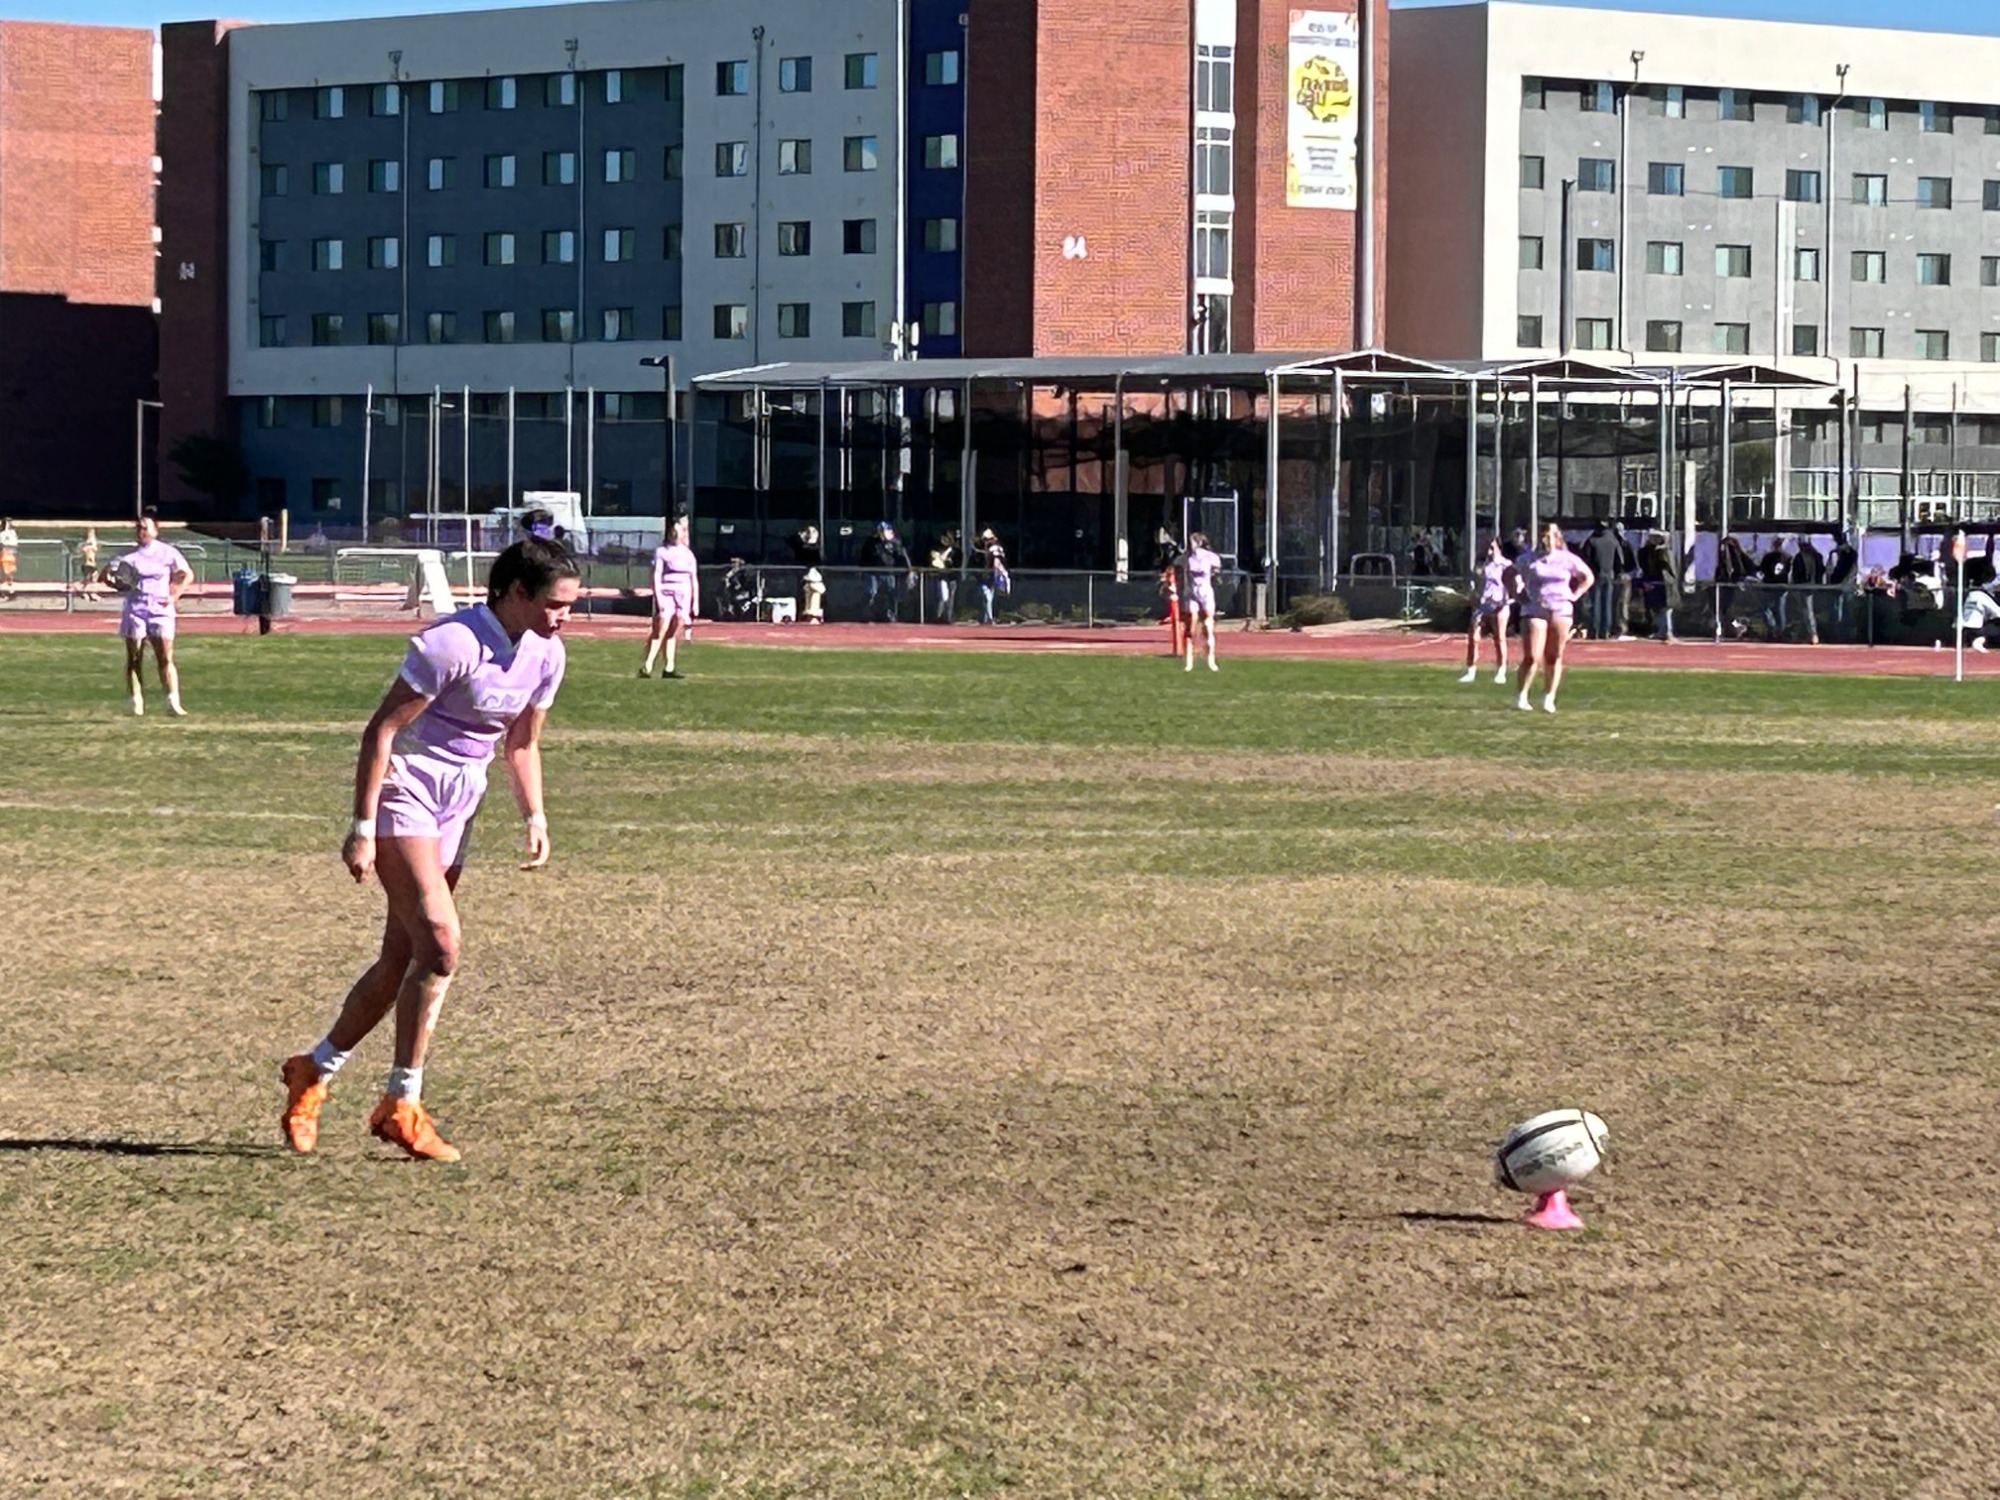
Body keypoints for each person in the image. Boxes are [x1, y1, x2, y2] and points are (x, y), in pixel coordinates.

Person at [279, 537, 579, 1162]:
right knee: (442, 944)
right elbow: (381, 729)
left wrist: (535, 815)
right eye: (555, 604)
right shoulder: (452, 643)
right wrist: (361, 827)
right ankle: (402, 1103)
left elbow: (521, 744)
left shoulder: (547, 655)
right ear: (517, 593)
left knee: (404, 959)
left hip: (460, 801)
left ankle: (315, 1070)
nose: (563, 618)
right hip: (405, 789)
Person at [102, 511, 195, 717]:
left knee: (165, 657)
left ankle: (172, 701)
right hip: (136, 608)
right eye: (139, 527)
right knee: (135, 656)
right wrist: (117, 584)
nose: (141, 531)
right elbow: (106, 575)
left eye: (145, 527)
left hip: (160, 609)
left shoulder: (167, 552)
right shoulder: (127, 554)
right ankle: (135, 701)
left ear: (155, 530)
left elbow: (187, 574)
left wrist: (175, 595)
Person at [1513, 522, 1594, 714]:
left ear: (1557, 538)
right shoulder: (1528, 559)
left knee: (1554, 655)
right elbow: (1511, 575)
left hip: (1561, 610)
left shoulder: (1567, 559)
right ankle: (1522, 694)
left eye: (1549, 536)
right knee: (1532, 656)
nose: (1545, 540)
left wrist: (1574, 595)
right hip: (1535, 608)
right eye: (1542, 536)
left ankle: (1549, 697)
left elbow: (1587, 577)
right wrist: (1518, 595)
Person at [640, 515, 699, 678]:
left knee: (675, 629)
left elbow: (693, 578)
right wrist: (658, 596)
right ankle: (647, 665)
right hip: (666, 592)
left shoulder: (688, 554)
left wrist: (696, 602)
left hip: (683, 593)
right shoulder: (661, 552)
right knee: (661, 628)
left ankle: (669, 667)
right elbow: (656, 575)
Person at [1459, 538, 1520, 684]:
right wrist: (1474, 598)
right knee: (1474, 637)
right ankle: (1470, 670)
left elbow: (1515, 585)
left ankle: (1501, 670)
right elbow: (1476, 585)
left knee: (1499, 638)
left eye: (1492, 546)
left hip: (1500, 605)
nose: (1489, 550)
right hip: (1482, 605)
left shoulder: (1506, 565)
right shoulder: (1481, 565)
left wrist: (1509, 599)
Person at [1183, 530, 1222, 672]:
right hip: (1193, 593)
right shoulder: (1188, 557)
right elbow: (1179, 569)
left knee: (1208, 626)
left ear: (1199, 543)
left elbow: (1218, 567)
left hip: (1206, 593)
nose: (1190, 545)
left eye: (1192, 542)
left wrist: (1215, 574)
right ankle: (1189, 661)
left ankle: (1210, 659)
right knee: (1191, 628)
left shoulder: (1209, 557)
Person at [1638, 531, 1683, 642]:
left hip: (1661, 583)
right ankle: (1665, 631)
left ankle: (1664, 631)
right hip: (1663, 583)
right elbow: (1671, 569)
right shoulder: (1660, 552)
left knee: (1664, 609)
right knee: (1663, 609)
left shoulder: (1653, 552)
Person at [861, 521, 910, 622]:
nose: (883, 533)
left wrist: (908, 569)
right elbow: (864, 556)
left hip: (889, 572)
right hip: (872, 572)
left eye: (885, 531)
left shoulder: (895, 543)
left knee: (891, 593)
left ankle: (890, 615)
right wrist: (862, 569)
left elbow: (902, 556)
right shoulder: (871, 542)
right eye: (881, 531)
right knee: (871, 592)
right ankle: (868, 614)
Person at [1714, 535, 1754, 639]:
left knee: (1730, 608)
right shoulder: (1724, 559)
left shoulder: (1736, 555)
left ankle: (1737, 628)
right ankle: (1729, 628)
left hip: (1733, 585)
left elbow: (1743, 567)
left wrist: (1739, 578)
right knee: (1724, 608)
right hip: (1726, 585)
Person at [974, 528, 1009, 625]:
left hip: (993, 575)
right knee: (987, 597)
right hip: (989, 575)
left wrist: (997, 572)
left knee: (989, 597)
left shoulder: (995, 548)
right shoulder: (985, 549)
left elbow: (996, 562)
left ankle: (989, 618)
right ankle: (987, 617)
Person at [928, 530, 959, 624]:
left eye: (947, 538)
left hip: (952, 577)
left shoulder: (955, 551)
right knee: (943, 596)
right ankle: (939, 616)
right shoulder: (938, 549)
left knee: (950, 598)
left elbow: (956, 563)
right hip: (942, 576)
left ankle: (948, 618)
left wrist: (948, 560)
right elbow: (936, 561)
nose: (944, 540)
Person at [78, 526, 100, 600]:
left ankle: (91, 593)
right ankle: (85, 592)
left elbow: (95, 548)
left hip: (92, 563)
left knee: (93, 578)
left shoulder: (92, 541)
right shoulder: (86, 543)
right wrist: (89, 547)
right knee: (88, 579)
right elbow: (83, 550)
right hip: (87, 563)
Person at [0, 517, 16, 600]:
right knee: (5, 573)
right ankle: (4, 592)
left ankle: (10, 591)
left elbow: (14, 543)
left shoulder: (12, 532)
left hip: (10, 554)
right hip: (4, 555)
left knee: (10, 574)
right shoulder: (2, 533)